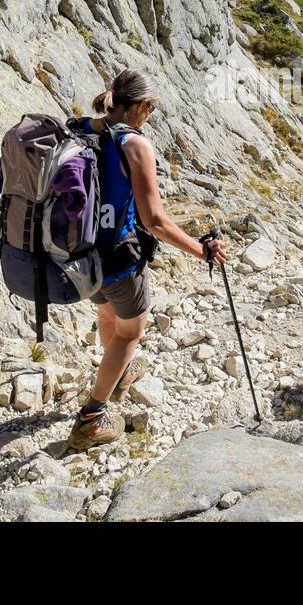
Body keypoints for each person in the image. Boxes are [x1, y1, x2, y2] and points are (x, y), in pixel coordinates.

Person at [68, 67, 227, 450]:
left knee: (108, 314)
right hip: (119, 259)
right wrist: (200, 249)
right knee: (130, 332)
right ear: (139, 105)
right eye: (150, 109)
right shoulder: (135, 144)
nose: (150, 116)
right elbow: (153, 219)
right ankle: (92, 418)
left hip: (81, 256)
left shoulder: (81, 128)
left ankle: (117, 375)